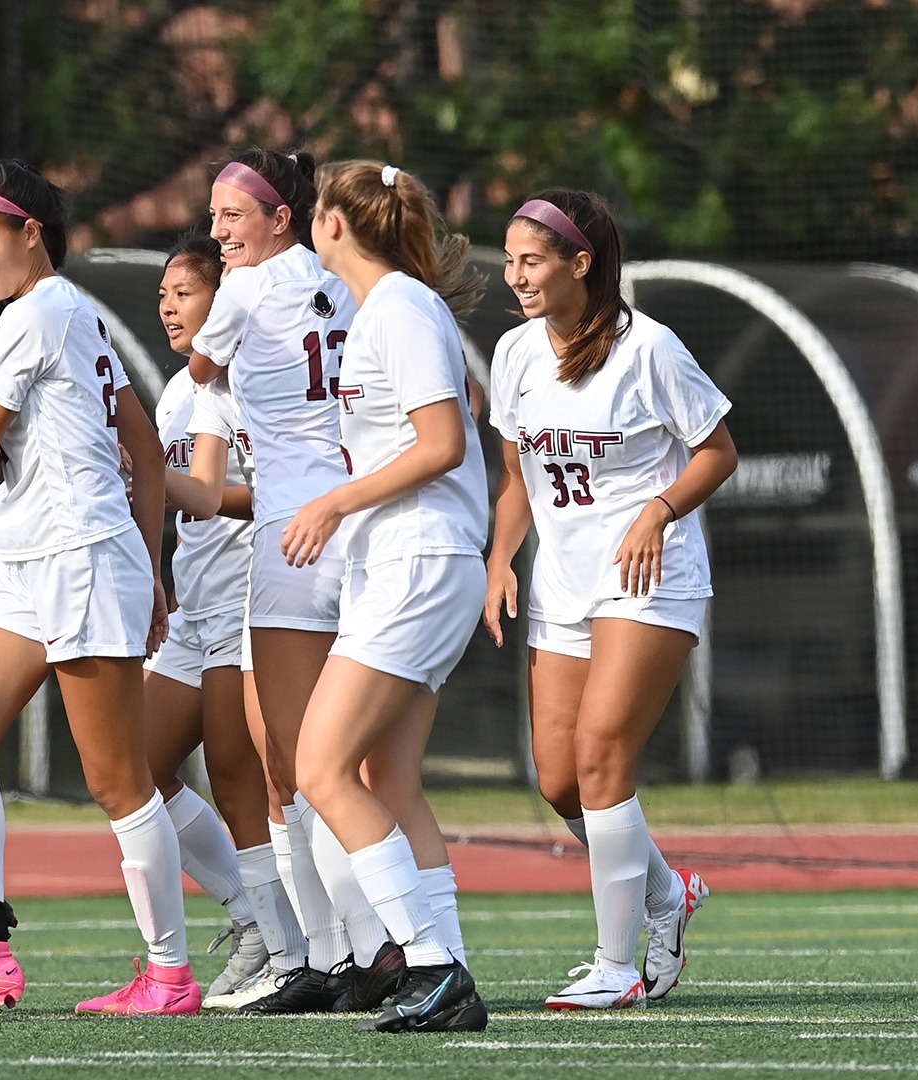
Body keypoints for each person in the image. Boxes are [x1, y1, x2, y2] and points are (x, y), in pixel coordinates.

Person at [0, 156, 199, 1017]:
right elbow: (141, 449)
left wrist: (138, 575)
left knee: (117, 780)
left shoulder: (39, 313)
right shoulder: (77, 316)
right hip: (38, 561)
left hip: (78, 556)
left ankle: (170, 973)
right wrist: (152, 575)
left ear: (33, 232)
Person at [483, 190, 735, 1010]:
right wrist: (500, 560)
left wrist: (659, 512)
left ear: (580, 264)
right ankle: (668, 893)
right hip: (562, 584)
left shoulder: (648, 347)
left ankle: (616, 965)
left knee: (600, 759)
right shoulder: (517, 353)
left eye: (532, 261)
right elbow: (518, 477)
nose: (516, 276)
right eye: (511, 260)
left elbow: (717, 451)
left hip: (646, 579)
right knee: (561, 781)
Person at [284, 160, 491, 1032]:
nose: (309, 221)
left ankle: (430, 962)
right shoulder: (398, 309)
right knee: (387, 776)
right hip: (408, 560)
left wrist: (335, 499)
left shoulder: (402, 307)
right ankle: (446, 971)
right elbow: (463, 408)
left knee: (320, 769)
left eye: (316, 210)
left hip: (419, 560)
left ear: (336, 225)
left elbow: (444, 439)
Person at [187, 147, 361, 1013]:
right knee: (350, 764)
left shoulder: (252, 289)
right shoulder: (360, 281)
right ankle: (360, 949)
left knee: (294, 763)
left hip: (292, 533)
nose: (219, 231)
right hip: (361, 527)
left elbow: (199, 369)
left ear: (280, 216)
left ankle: (344, 953)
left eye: (232, 215)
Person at [144, 234, 306, 1009]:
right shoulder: (181, 392)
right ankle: (251, 920)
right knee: (137, 765)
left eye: (185, 291)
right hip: (192, 606)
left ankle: (291, 951)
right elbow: (190, 498)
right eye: (165, 294)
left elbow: (234, 493)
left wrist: (141, 472)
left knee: (245, 781)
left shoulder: (263, 382)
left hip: (251, 599)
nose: (170, 305)